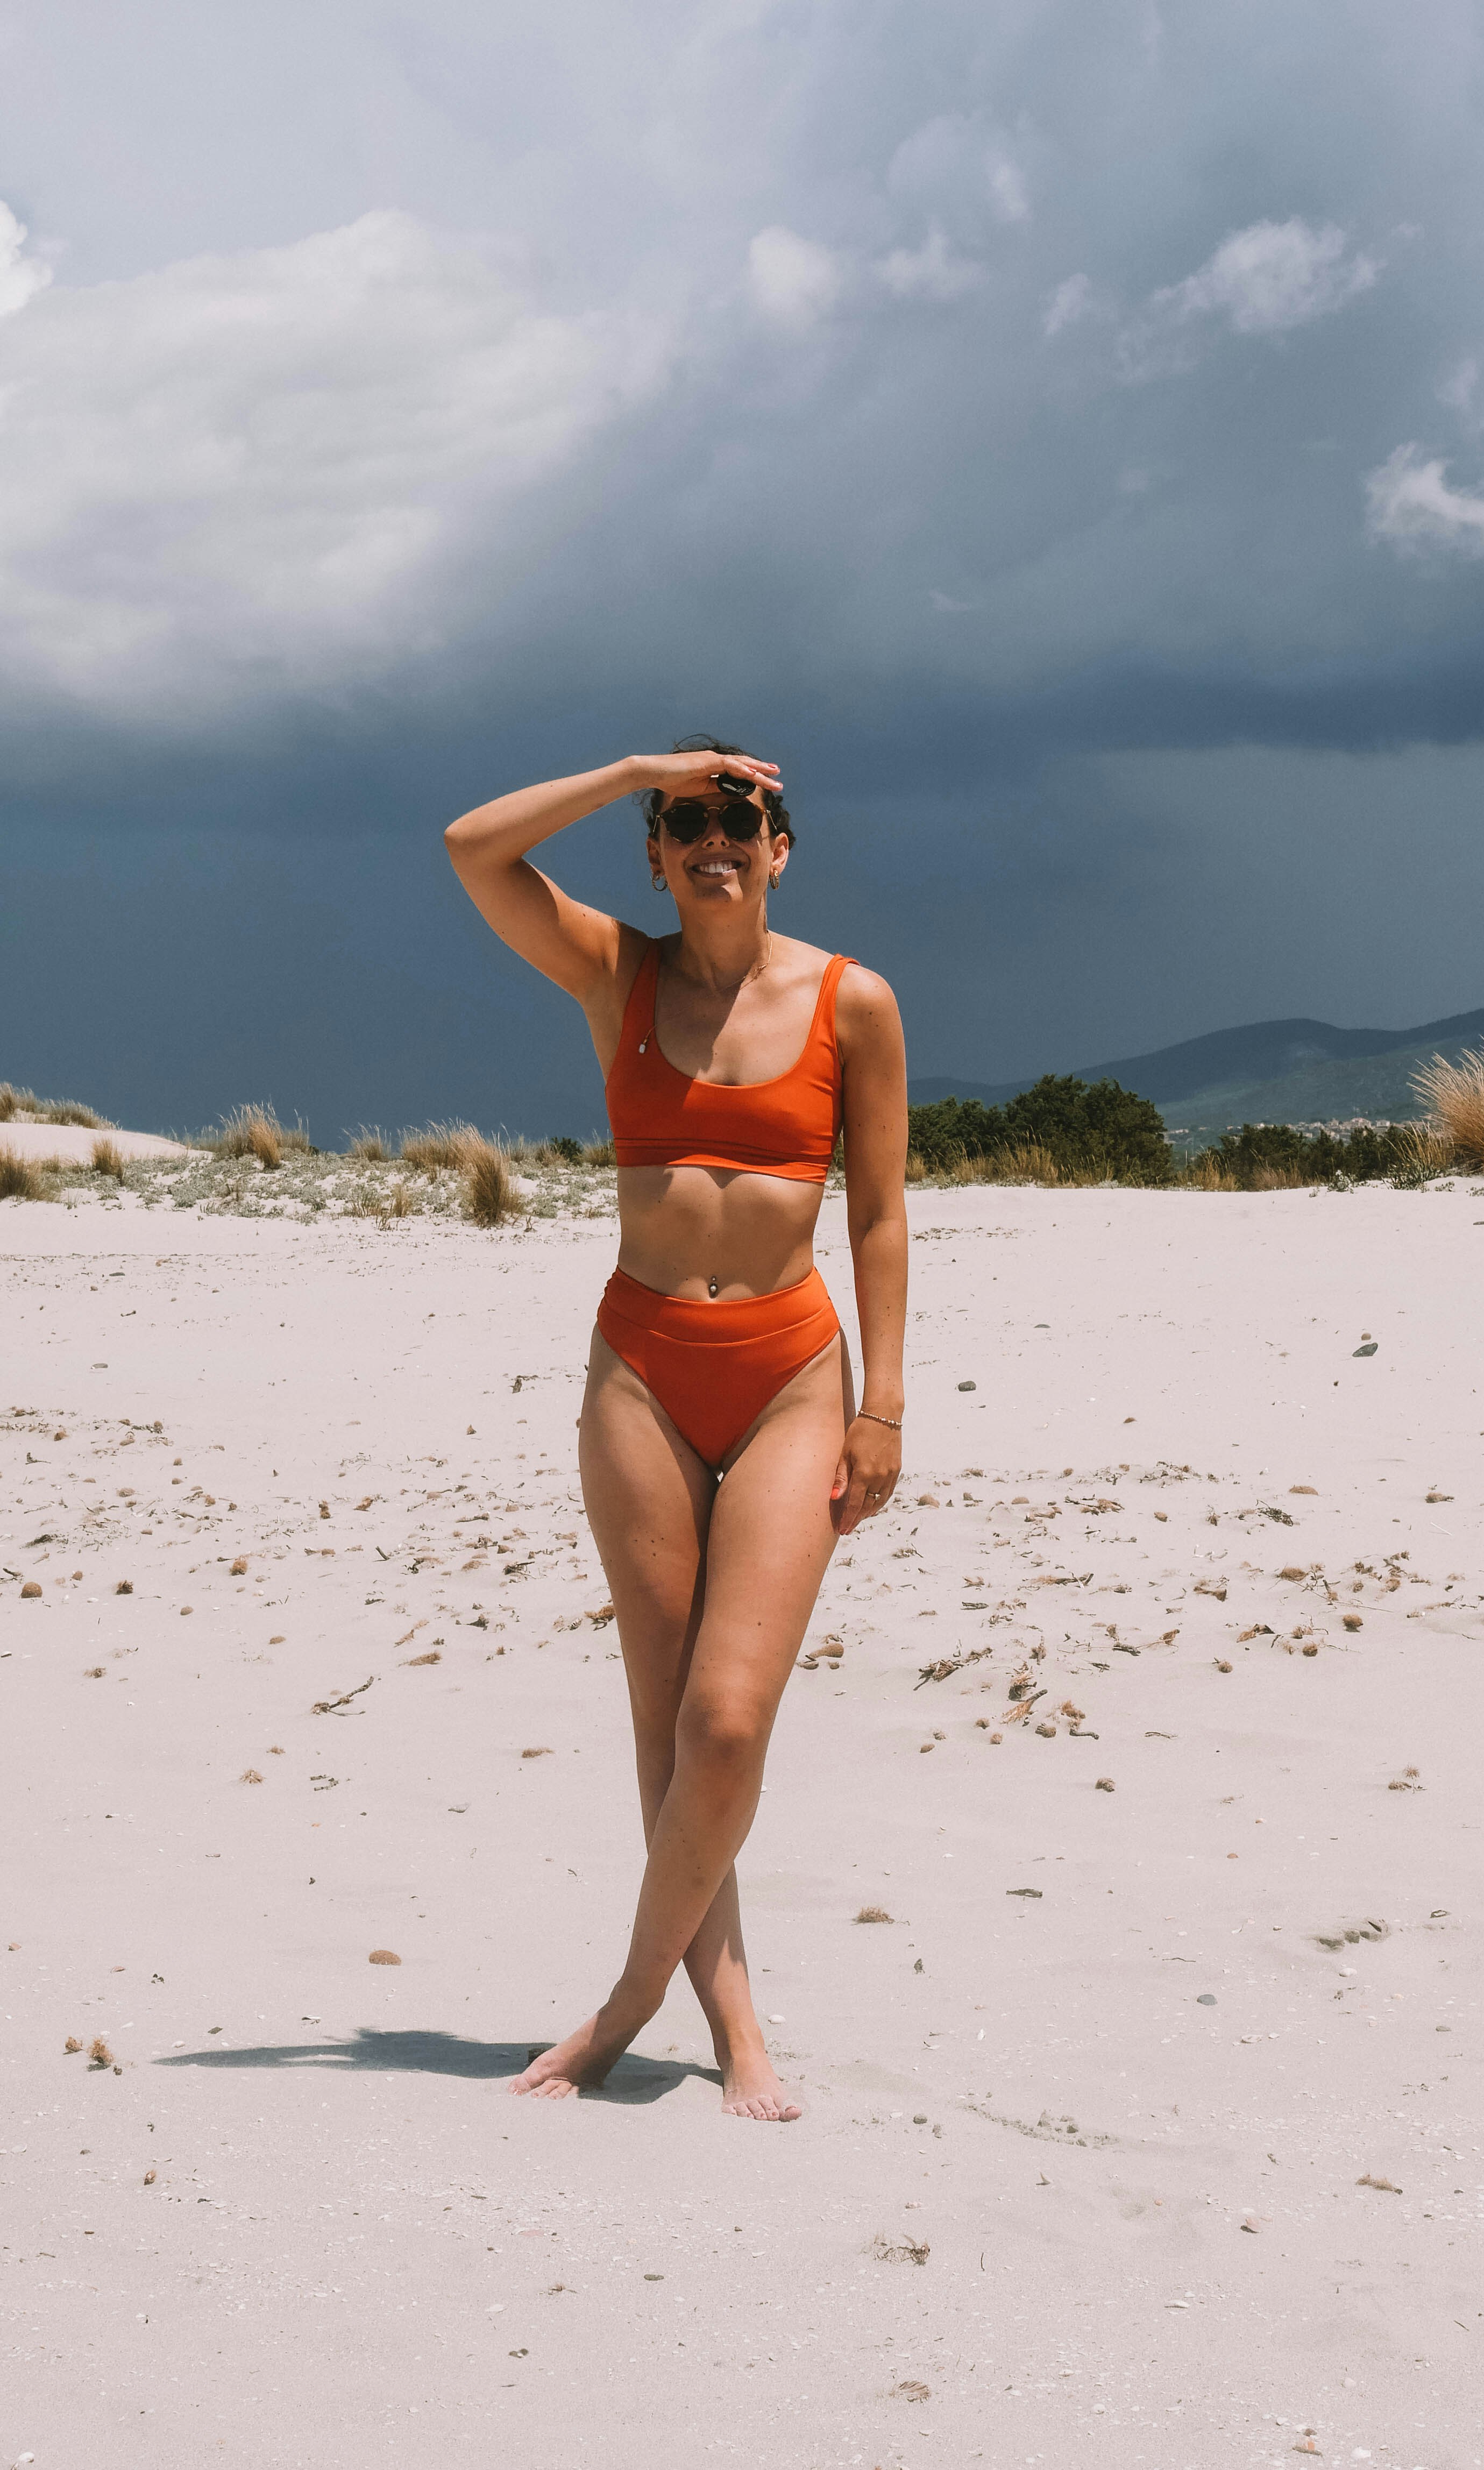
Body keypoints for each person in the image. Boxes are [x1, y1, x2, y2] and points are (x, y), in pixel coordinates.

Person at [444, 735, 908, 2117]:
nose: (717, 831)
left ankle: (625, 2000)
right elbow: (475, 847)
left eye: (744, 813)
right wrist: (639, 764)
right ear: (655, 850)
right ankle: (729, 2018)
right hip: (640, 1369)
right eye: (687, 817)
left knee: (723, 1722)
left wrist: (881, 1403)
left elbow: (878, 1211)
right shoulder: (615, 973)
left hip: (788, 1376)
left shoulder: (851, 999)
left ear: (780, 848)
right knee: (661, 1717)